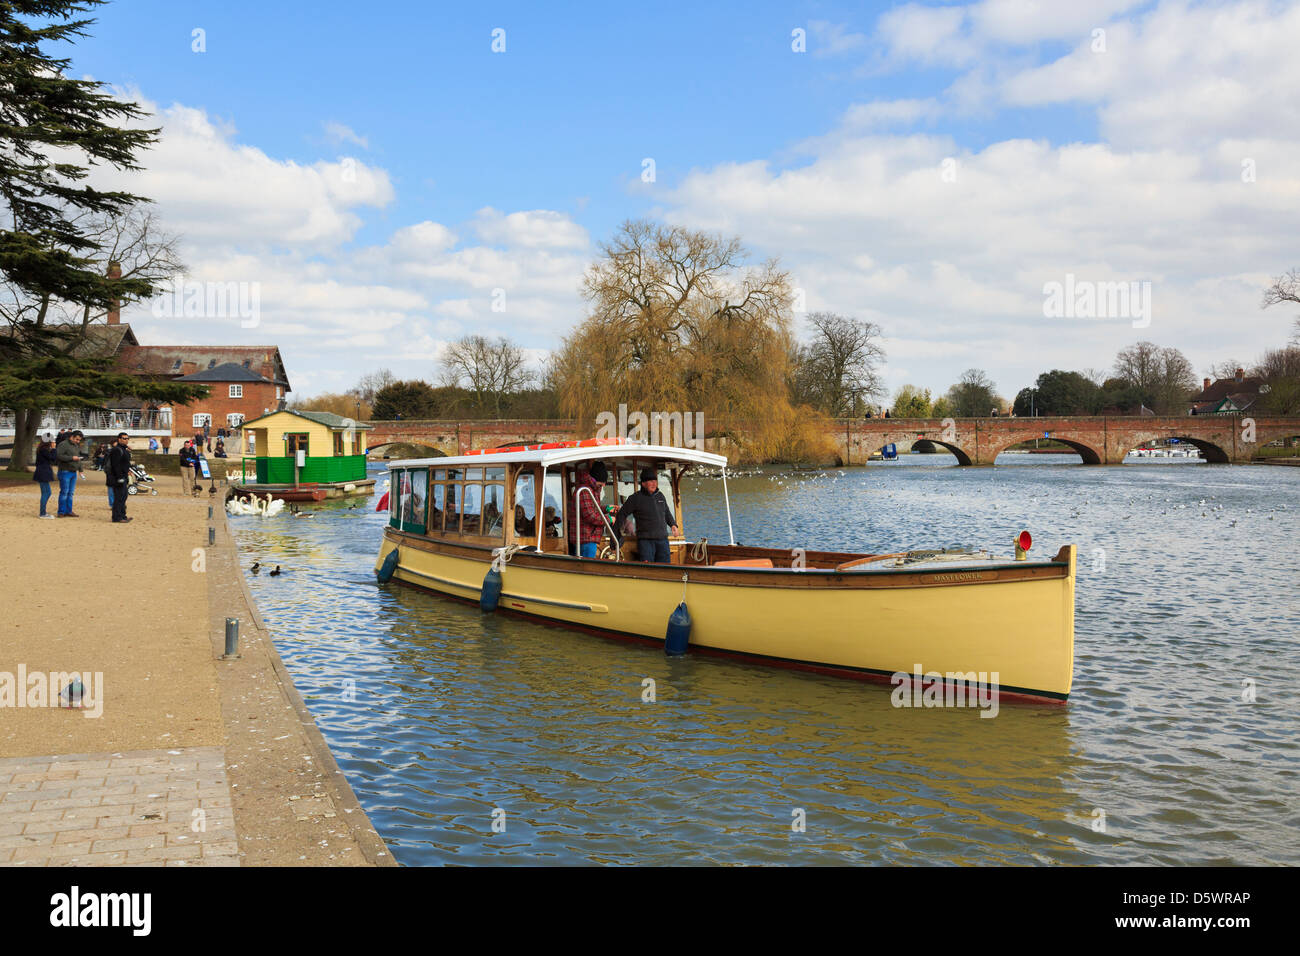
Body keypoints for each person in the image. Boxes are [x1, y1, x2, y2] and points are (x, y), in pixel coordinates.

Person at [612, 467, 678, 564]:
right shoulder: (635, 498)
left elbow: (667, 512)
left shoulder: (660, 496)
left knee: (665, 570)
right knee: (648, 570)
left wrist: (673, 525)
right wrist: (617, 533)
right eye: (650, 481)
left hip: (663, 541)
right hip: (646, 542)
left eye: (655, 481)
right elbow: (622, 514)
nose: (654, 483)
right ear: (643, 483)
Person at [566, 461, 608, 558]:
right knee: (587, 567)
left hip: (588, 537)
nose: (604, 486)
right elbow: (590, 515)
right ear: (595, 479)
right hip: (585, 538)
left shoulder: (592, 489)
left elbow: (592, 509)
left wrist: (606, 508)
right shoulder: (584, 491)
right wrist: (607, 519)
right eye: (602, 483)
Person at [54, 430, 85, 517]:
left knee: (70, 493)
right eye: (77, 439)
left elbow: (78, 458)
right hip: (65, 471)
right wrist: (71, 458)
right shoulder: (63, 444)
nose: (78, 441)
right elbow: (59, 456)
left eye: (79, 440)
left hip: (73, 472)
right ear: (72, 436)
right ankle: (61, 512)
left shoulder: (75, 445)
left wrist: (80, 469)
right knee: (64, 492)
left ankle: (69, 510)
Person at [106, 431, 132, 523]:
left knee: (123, 497)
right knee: (119, 497)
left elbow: (125, 463)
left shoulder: (124, 449)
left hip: (124, 476)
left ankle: (123, 515)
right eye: (124, 438)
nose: (126, 440)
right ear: (119, 439)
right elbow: (115, 465)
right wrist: (119, 477)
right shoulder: (117, 450)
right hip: (118, 478)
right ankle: (117, 517)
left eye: (127, 438)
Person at [33, 435, 57, 518]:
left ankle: (43, 512)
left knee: (47, 492)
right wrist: (54, 449)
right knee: (46, 493)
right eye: (53, 441)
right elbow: (53, 458)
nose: (54, 443)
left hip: (42, 471)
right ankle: (42, 513)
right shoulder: (43, 450)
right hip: (43, 472)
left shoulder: (42, 449)